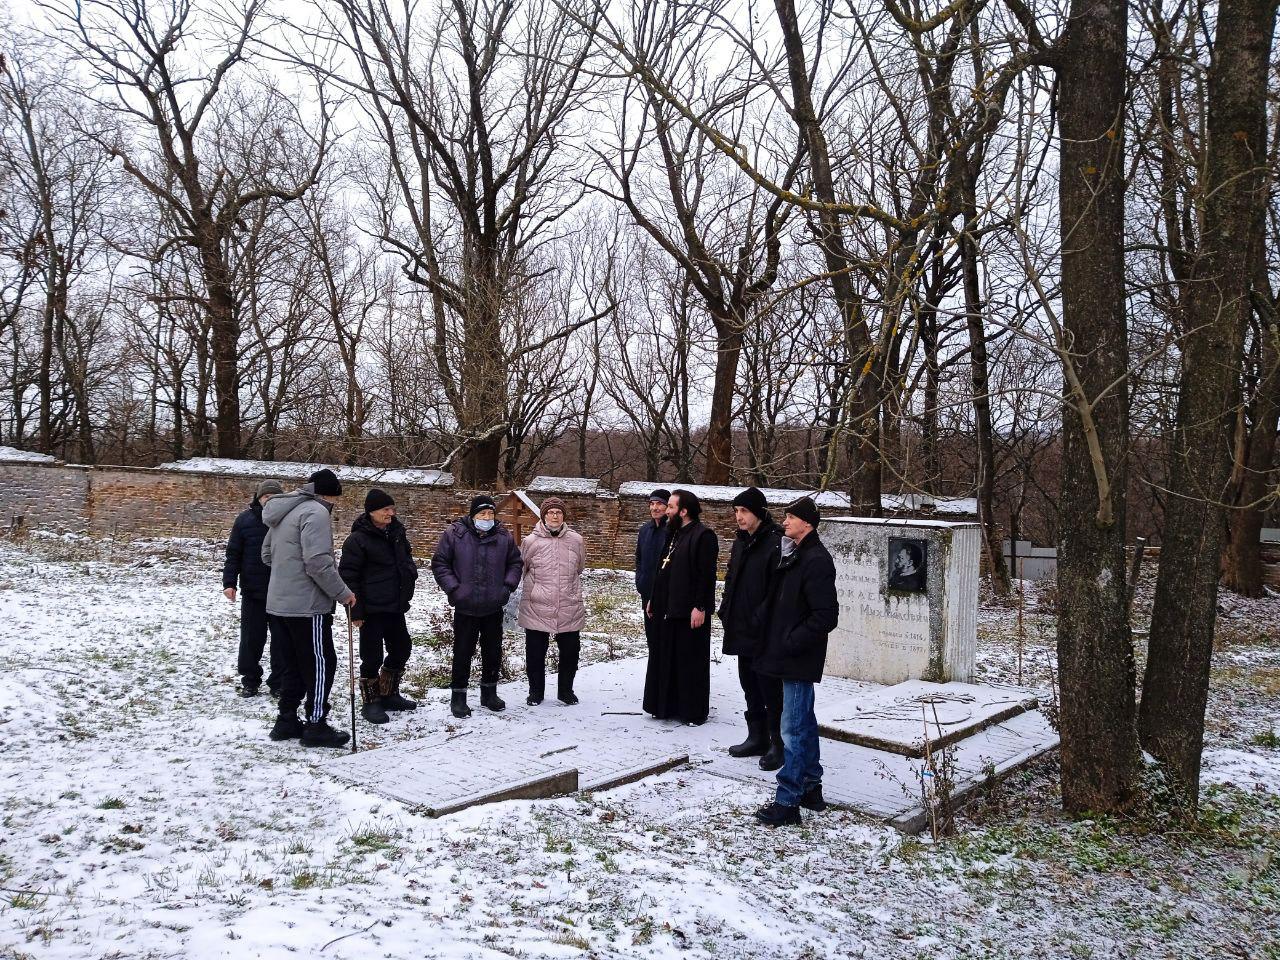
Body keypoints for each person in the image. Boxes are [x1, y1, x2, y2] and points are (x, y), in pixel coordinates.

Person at [753, 496, 840, 827]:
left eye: (791, 517)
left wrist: (791, 641)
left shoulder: (816, 560)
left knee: (792, 728)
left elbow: (825, 615)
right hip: (787, 654)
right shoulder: (794, 555)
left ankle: (787, 801)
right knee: (802, 722)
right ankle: (811, 787)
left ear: (808, 523)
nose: (785, 522)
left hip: (798, 657)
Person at [261, 468, 356, 749]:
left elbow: (266, 555)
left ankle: (286, 719)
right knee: (320, 664)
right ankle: (316, 724)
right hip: (308, 607)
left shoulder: (283, 511)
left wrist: (287, 574)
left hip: (278, 604)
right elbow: (317, 562)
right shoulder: (316, 512)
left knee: (291, 664)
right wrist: (343, 594)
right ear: (329, 494)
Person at [431, 494, 523, 718]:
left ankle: (489, 693)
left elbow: (515, 563)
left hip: (493, 605)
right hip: (466, 606)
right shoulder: (455, 534)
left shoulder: (503, 536)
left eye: (491, 513)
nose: (487, 517)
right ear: (473, 516)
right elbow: (440, 563)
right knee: (463, 652)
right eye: (482, 513)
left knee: (493, 651)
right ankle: (459, 697)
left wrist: (507, 588)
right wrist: (455, 589)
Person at [339, 489, 420, 725]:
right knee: (371, 657)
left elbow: (405, 560)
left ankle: (389, 693)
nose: (391, 513)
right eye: (386, 509)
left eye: (392, 509)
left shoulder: (397, 533)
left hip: (395, 605)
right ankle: (371, 701)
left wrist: (409, 578)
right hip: (371, 608)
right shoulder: (357, 540)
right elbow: (349, 576)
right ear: (371, 511)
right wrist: (355, 611)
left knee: (402, 648)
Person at [716, 487, 784, 768]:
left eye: (744, 511)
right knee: (749, 684)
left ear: (758, 512)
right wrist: (725, 607)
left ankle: (778, 742)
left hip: (764, 629)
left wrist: (762, 616)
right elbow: (732, 576)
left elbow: (777, 587)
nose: (738, 517)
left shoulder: (775, 542)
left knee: (769, 687)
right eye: (736, 511)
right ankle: (756, 736)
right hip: (740, 624)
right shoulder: (741, 541)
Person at [642, 489, 717, 725]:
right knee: (667, 657)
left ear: (683, 511)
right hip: (667, 607)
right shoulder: (673, 533)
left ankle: (692, 711)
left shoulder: (703, 536)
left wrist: (700, 606)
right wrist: (654, 597)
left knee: (689, 661)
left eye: (671, 507)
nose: (667, 511)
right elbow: (660, 570)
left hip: (689, 611)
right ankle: (666, 706)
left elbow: (707, 576)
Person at [517, 496, 586, 706]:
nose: (554, 516)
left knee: (571, 651)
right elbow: (523, 568)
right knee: (536, 652)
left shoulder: (576, 540)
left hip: (568, 603)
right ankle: (535, 692)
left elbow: (579, 567)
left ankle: (566, 691)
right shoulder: (530, 542)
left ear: (564, 516)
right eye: (550, 512)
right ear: (543, 515)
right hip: (537, 604)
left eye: (558, 512)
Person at [223, 478, 285, 698]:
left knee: (281, 641)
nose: (270, 501)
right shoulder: (244, 521)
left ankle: (278, 682)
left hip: (282, 593)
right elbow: (233, 553)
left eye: (274, 497)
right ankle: (250, 680)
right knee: (251, 639)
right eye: (266, 496)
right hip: (253, 591)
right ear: (258, 498)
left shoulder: (287, 520)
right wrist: (229, 583)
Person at [634, 488, 670, 650]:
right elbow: (639, 559)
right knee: (652, 641)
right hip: (647, 592)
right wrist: (640, 581)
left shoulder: (673, 532)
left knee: (665, 642)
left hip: (666, 597)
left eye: (660, 504)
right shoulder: (644, 531)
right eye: (652, 503)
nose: (655, 508)